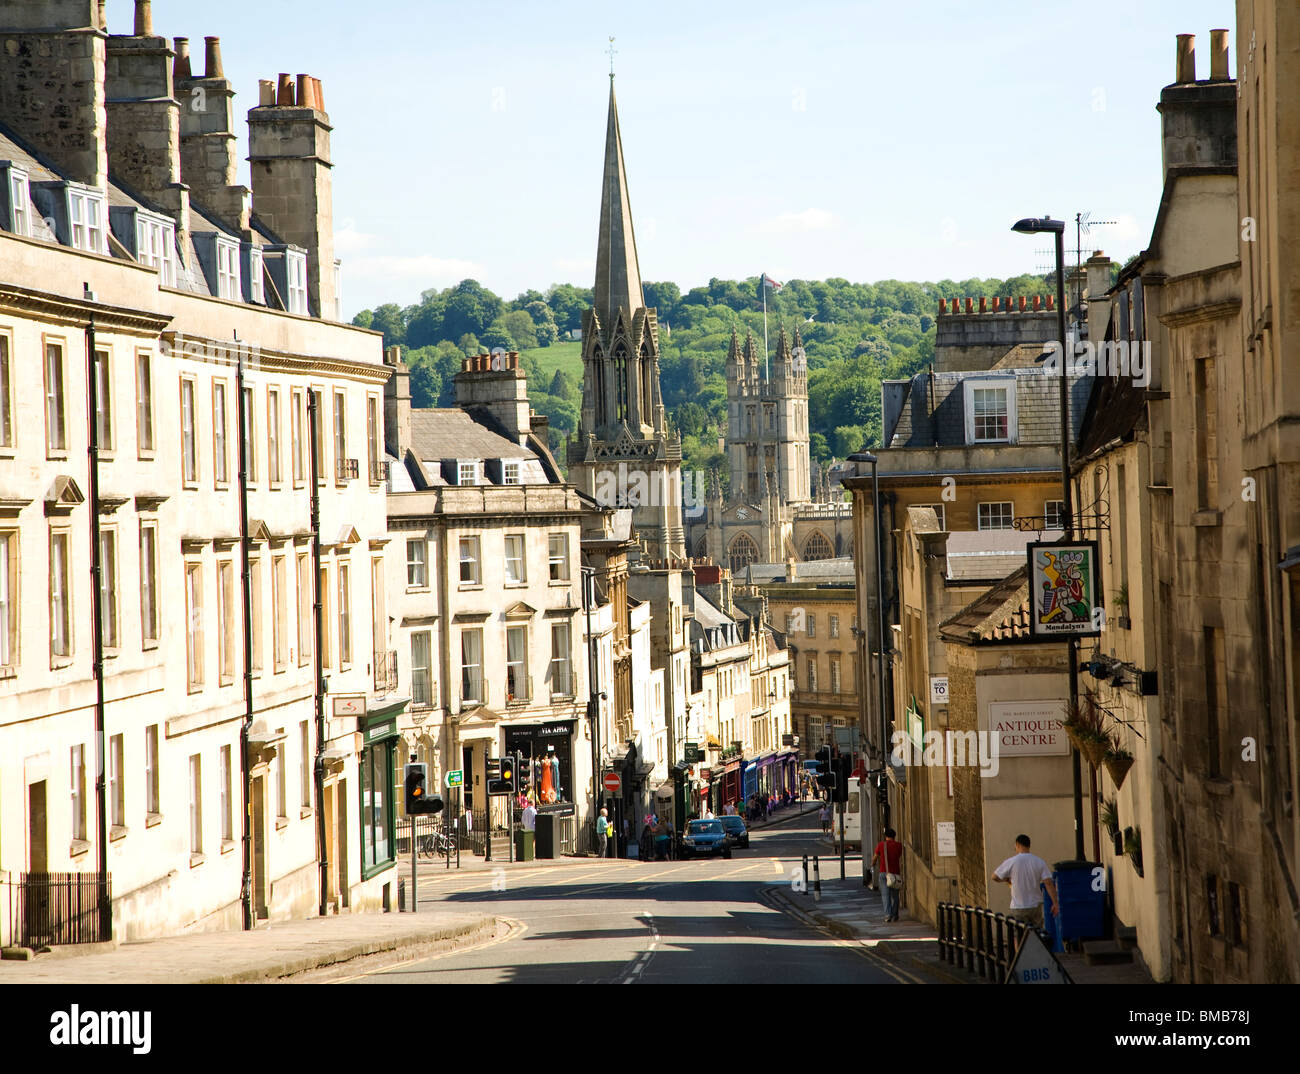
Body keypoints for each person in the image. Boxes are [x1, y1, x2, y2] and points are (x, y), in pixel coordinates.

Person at [991, 834, 1059, 929]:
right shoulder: (1039, 862)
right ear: (1029, 845)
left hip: (1018, 906)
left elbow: (994, 877)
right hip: (1035, 906)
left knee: (1018, 936)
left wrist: (1006, 879)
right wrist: (1055, 902)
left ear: (1017, 845)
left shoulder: (1012, 861)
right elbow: (1048, 883)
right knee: (1037, 935)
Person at [871, 827, 904, 921]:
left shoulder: (881, 845)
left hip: (884, 873)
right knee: (895, 896)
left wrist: (872, 864)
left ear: (886, 836)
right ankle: (895, 914)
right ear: (894, 836)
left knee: (885, 896)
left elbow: (875, 857)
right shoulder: (899, 845)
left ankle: (888, 915)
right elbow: (899, 856)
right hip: (895, 874)